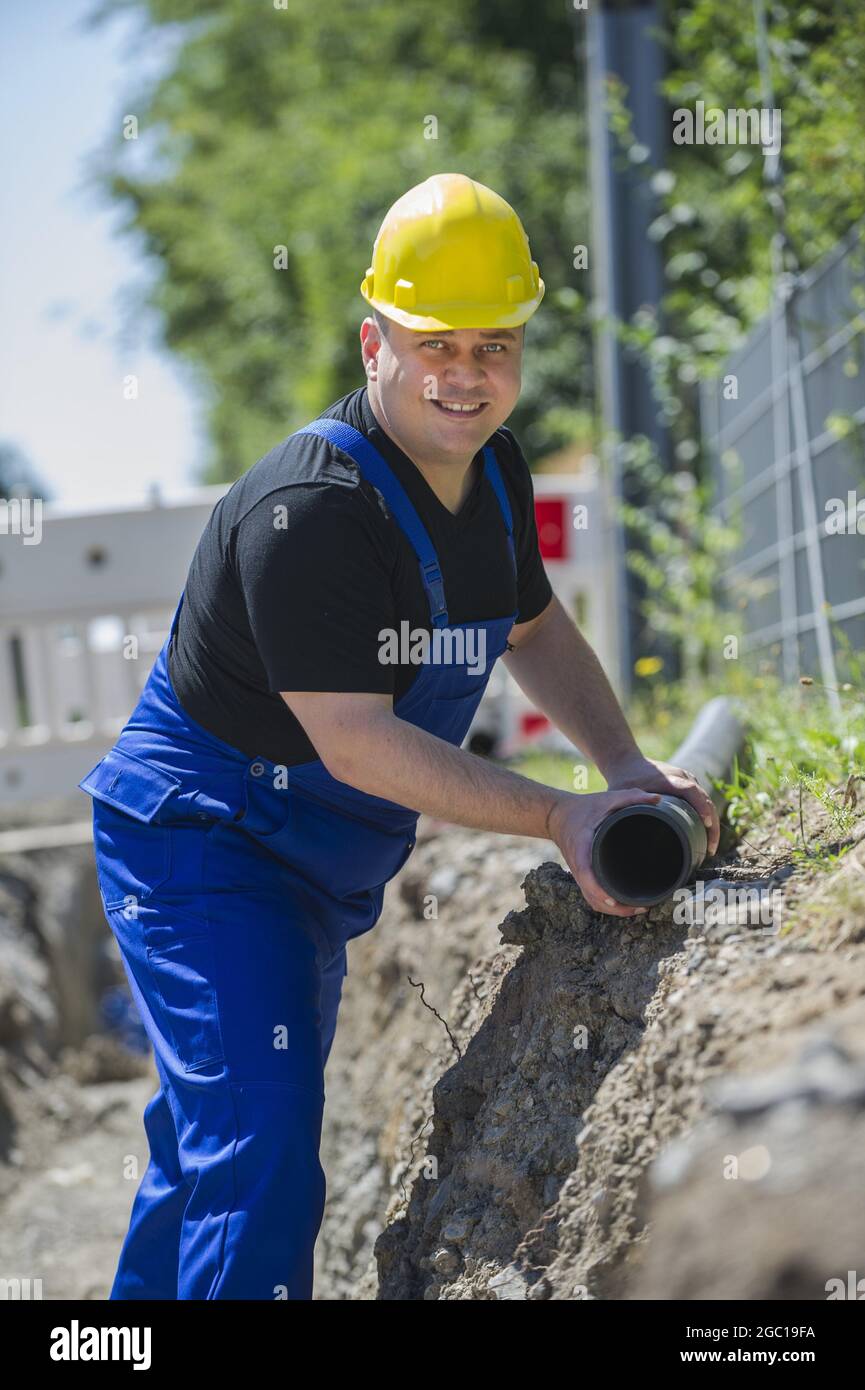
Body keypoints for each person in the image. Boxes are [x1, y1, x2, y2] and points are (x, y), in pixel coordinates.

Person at [79, 172, 719, 1300]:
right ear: (375, 341)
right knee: (261, 1143)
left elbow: (534, 626)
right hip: (202, 843)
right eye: (436, 344)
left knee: (214, 1134)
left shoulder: (496, 473)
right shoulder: (313, 513)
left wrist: (623, 764)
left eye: (493, 345)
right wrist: (565, 814)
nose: (466, 375)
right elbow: (360, 747)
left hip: (304, 864)